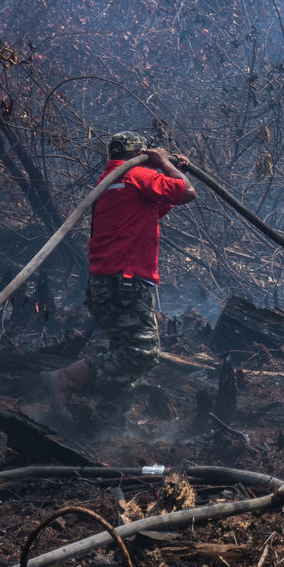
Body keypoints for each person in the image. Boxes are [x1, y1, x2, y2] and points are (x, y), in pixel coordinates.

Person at [42, 131, 197, 432]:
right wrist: (165, 162)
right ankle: (65, 379)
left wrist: (174, 170)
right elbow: (186, 193)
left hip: (106, 284)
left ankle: (105, 429)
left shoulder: (109, 181)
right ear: (140, 154)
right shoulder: (137, 174)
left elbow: (163, 203)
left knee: (126, 360)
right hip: (125, 282)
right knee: (144, 352)